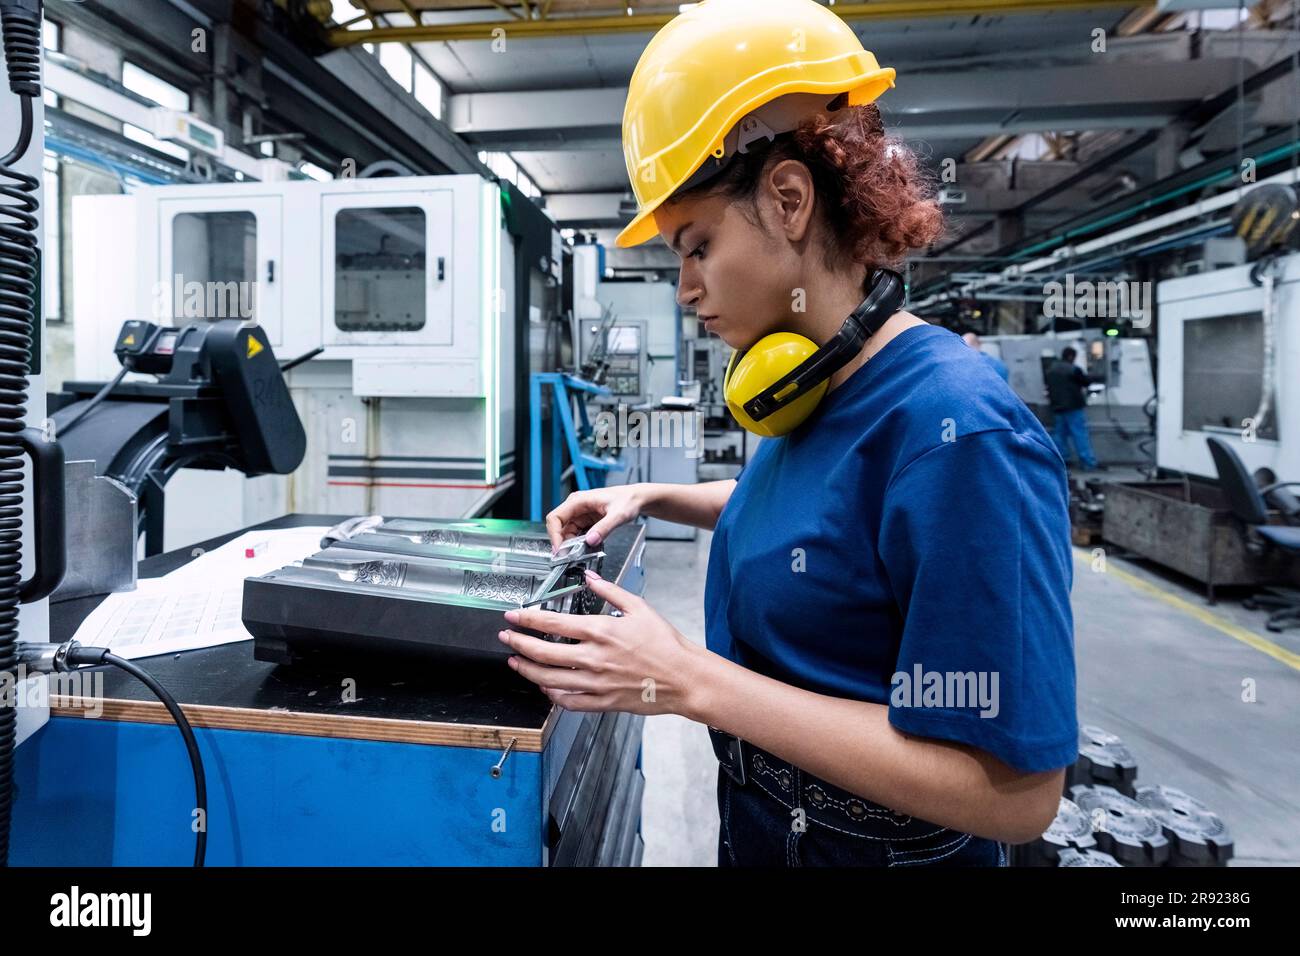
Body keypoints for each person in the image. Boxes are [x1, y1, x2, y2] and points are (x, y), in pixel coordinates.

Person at [496, 0, 1077, 867]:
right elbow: (830, 523)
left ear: (790, 199)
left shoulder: (958, 432)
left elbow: (1016, 794)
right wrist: (656, 496)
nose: (685, 289)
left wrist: (690, 680)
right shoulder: (817, 380)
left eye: (695, 246)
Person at [1045, 346, 1102, 471]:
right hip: (1073, 407)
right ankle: (1088, 462)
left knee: (1059, 436)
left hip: (1057, 407)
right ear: (1071, 356)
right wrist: (1096, 377)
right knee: (1080, 435)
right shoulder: (1073, 370)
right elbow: (1085, 382)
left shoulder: (1051, 369)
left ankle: (1063, 462)